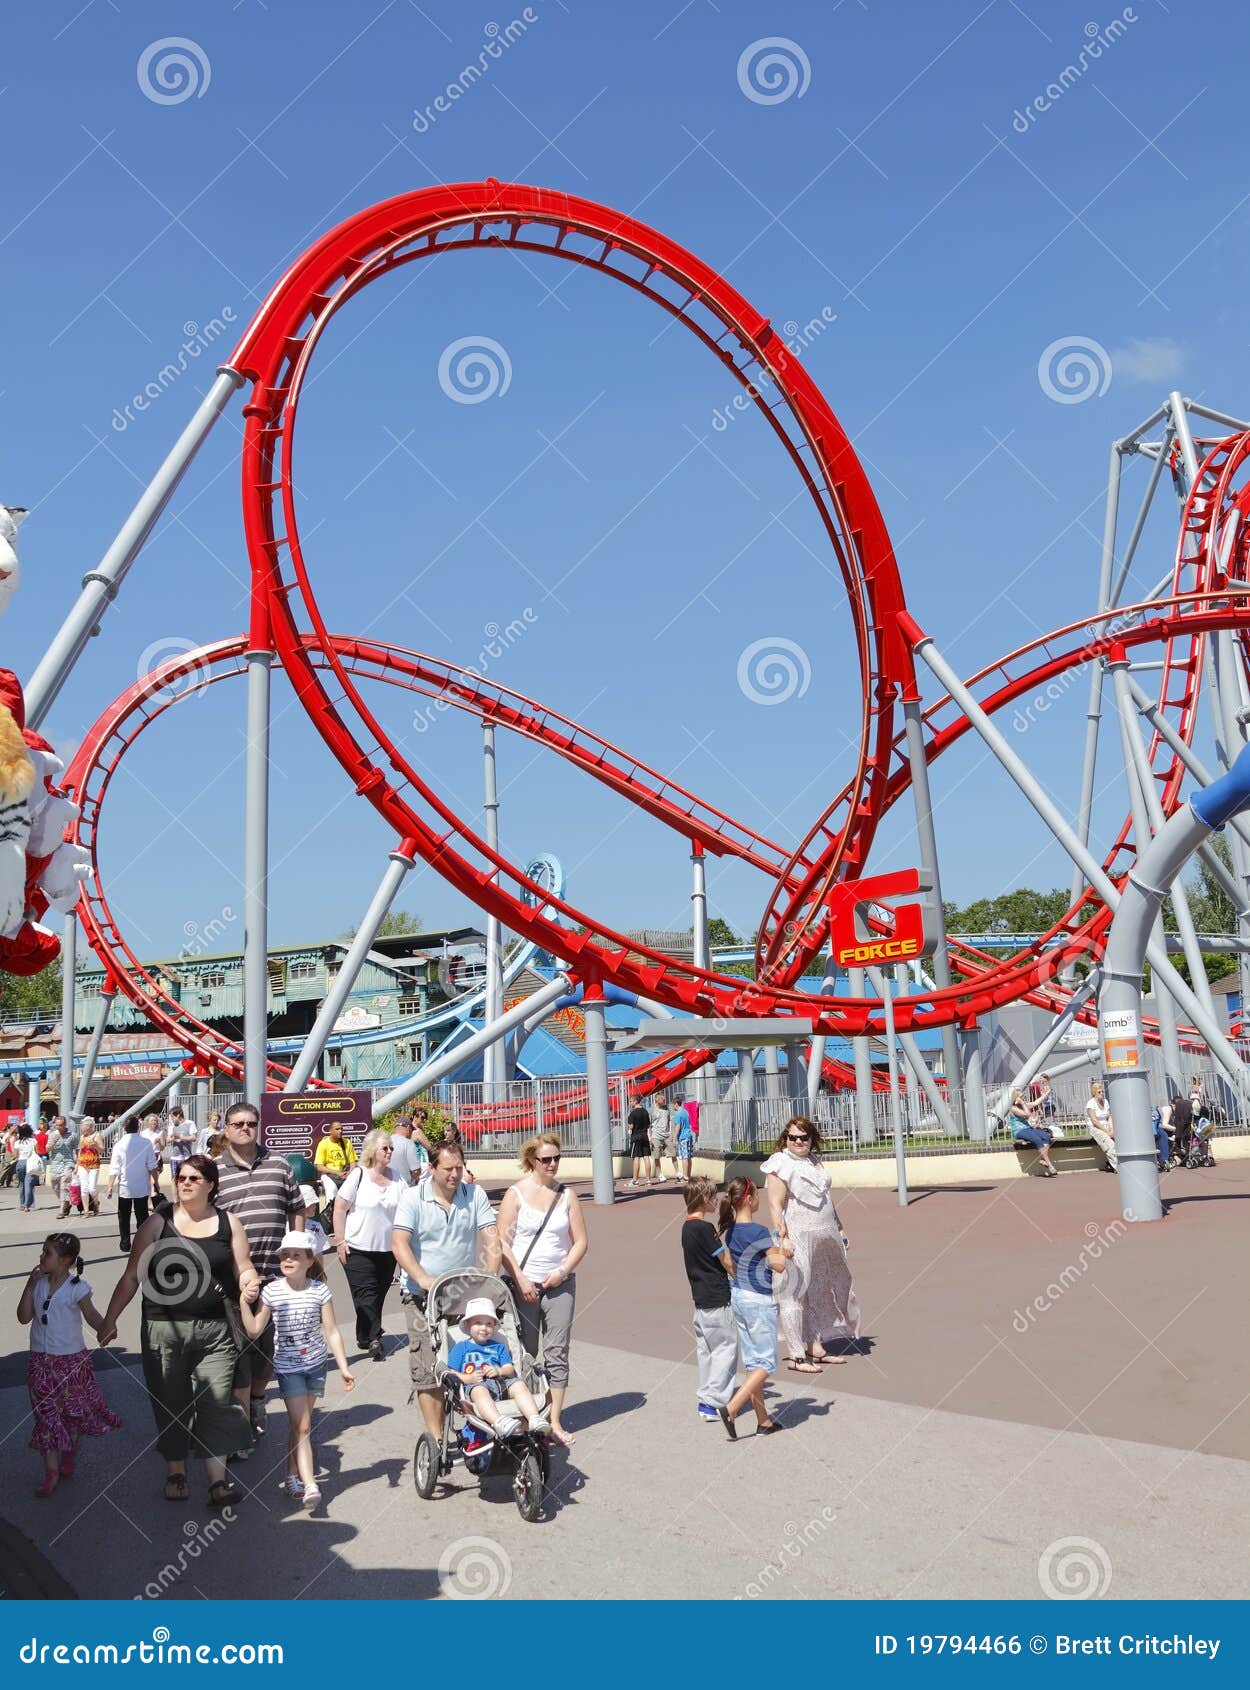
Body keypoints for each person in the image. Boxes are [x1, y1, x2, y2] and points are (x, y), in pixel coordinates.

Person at [98, 1155, 257, 1508]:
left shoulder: (229, 1223)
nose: (185, 1183)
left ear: (211, 1185)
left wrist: (249, 1283)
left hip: (216, 1331)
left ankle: (217, 1482)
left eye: (194, 1178)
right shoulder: (158, 1223)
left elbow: (243, 1266)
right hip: (163, 1329)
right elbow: (130, 1276)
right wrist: (110, 1320)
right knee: (171, 1403)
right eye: (181, 1177)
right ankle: (176, 1471)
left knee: (217, 1402)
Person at [391, 1141, 500, 1445]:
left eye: (459, 1168)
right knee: (428, 1364)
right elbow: (399, 1243)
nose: (455, 1175)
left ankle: (477, 1421)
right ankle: (437, 1438)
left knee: (472, 1358)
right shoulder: (413, 1198)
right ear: (432, 1169)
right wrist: (423, 1278)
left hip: (463, 1294)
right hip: (421, 1295)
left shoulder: (473, 1194)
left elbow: (491, 1238)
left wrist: (490, 1278)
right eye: (448, 1169)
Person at [213, 1102, 306, 1458]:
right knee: (235, 1351)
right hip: (230, 1277)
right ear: (226, 1129)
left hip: (271, 1275)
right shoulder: (215, 1170)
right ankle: (238, 1427)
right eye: (238, 1124)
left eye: (251, 1123)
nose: (245, 1129)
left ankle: (256, 1401)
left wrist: (295, 1248)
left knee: (264, 1351)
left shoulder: (279, 1164)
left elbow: (297, 1206)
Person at [241, 1232, 354, 1508]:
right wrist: (244, 1302)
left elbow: (331, 1331)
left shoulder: (320, 1290)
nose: (288, 1260)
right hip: (288, 1368)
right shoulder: (272, 1291)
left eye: (295, 1255)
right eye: (284, 1255)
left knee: (300, 1424)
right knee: (302, 1425)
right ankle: (311, 1485)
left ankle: (292, 1474)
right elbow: (255, 1330)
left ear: (309, 1260)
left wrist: (343, 1367)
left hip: (315, 1365)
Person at [498, 1132, 587, 1448]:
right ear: (531, 1161)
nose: (552, 1164)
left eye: (556, 1158)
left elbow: (581, 1242)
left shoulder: (567, 1196)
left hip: (560, 1285)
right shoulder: (515, 1194)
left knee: (558, 1352)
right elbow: (502, 1243)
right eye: (545, 1159)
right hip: (523, 1285)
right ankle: (525, 1415)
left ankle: (554, 1421)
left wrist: (562, 1271)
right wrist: (520, 1279)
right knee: (524, 1352)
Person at [18, 1231, 120, 1496]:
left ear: (65, 1261)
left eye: (47, 1253)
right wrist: (28, 1287)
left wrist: (105, 1327)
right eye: (42, 1252)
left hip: (71, 1362)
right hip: (40, 1362)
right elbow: (23, 1317)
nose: (41, 1257)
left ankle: (70, 1451)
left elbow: (91, 1314)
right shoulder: (38, 1284)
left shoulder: (77, 1288)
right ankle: (50, 1473)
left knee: (72, 1416)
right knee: (46, 1417)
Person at [763, 1117, 861, 1372]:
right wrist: (781, 1237)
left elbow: (826, 1200)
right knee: (794, 1294)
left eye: (803, 1137)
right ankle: (797, 1355)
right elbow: (774, 1205)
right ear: (785, 1138)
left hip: (824, 1234)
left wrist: (840, 1228)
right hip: (797, 1235)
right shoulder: (779, 1163)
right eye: (793, 1137)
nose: (798, 1142)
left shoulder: (815, 1162)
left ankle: (815, 1347)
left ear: (811, 1139)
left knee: (818, 1290)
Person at [715, 1176, 785, 1439]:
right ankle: (731, 1408)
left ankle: (763, 1420)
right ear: (749, 1199)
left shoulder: (731, 1230)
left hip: (739, 1296)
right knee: (766, 1362)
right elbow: (778, 1265)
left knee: (754, 1361)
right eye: (757, 1194)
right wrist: (782, 1248)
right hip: (758, 1299)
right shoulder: (758, 1231)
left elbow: (736, 1261)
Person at [332, 1128, 404, 1361]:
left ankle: (364, 1335)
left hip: (387, 1249)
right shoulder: (358, 1175)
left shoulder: (398, 1178)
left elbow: (407, 1210)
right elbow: (340, 1208)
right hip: (357, 1248)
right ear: (372, 1151)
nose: (389, 1151)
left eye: (391, 1148)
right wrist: (340, 1241)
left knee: (379, 1293)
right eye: (385, 1148)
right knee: (365, 1293)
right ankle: (374, 1338)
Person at [448, 1296, 550, 1435]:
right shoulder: (461, 1347)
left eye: (489, 1324)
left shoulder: (498, 1347)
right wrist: (468, 1378)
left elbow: (510, 1369)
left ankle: (534, 1418)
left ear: (494, 1326)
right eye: (478, 1323)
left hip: (503, 1382)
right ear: (467, 1325)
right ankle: (499, 1421)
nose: (484, 1328)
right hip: (477, 1384)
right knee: (479, 1391)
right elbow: (451, 1372)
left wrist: (499, 1370)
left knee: (519, 1385)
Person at [681, 1177, 736, 1422]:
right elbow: (724, 1260)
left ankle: (705, 1396)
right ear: (704, 1200)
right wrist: (740, 1275)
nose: (716, 1201)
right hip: (717, 1296)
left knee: (706, 1351)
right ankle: (713, 1402)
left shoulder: (686, 1227)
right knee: (726, 1348)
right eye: (713, 1197)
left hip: (700, 1299)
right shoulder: (705, 1229)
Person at [105, 1118, 160, 1252]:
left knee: (124, 1216)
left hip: (125, 1187)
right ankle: (143, 1242)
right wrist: (156, 1182)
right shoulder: (146, 1143)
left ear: (124, 1128)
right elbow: (152, 1165)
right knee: (142, 1215)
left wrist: (110, 1186)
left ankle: (125, 1243)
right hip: (141, 1186)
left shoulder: (119, 1144)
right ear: (138, 1127)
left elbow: (114, 1167)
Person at [1009, 1090, 1058, 1176]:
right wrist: (1023, 1104)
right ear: (1016, 1098)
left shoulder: (1024, 1105)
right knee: (1037, 1139)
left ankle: (1043, 1159)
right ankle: (1050, 1165)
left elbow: (1035, 1103)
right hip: (1019, 1131)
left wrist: (1045, 1095)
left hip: (1028, 1128)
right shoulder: (1013, 1108)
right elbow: (1027, 1114)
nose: (1023, 1098)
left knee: (1046, 1136)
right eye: (1021, 1097)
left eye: (1023, 1096)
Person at [313, 1119, 357, 1208]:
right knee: (331, 1194)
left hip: (345, 1175)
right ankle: (330, 1216)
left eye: (341, 1129)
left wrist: (349, 1173)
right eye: (337, 1129)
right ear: (330, 1131)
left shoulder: (347, 1142)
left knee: (352, 1196)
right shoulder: (323, 1144)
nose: (340, 1131)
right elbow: (319, 1167)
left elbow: (353, 1163)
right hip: (329, 1176)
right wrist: (336, 1172)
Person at [49, 1119, 82, 1218]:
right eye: (57, 1125)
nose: (59, 1127)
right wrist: (54, 1141)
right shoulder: (52, 1134)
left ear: (65, 1125)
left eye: (61, 1125)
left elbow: (78, 1150)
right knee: (55, 1184)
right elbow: (47, 1149)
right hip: (55, 1164)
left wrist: (77, 1164)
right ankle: (66, 1202)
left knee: (64, 1185)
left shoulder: (73, 1135)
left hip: (68, 1163)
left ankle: (61, 1210)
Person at [1083, 1081, 1116, 1173]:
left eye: (1102, 1091)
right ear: (1094, 1093)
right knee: (1109, 1143)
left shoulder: (1105, 1102)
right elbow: (1094, 1121)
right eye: (1099, 1092)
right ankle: (1117, 1166)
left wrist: (1111, 1129)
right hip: (1095, 1128)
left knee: (1121, 1138)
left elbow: (1109, 1116)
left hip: (1106, 1126)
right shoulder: (1091, 1103)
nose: (1101, 1093)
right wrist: (1107, 1131)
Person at [74, 1118, 104, 1216]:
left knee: (92, 1188)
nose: (82, 1128)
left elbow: (102, 1150)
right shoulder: (82, 1137)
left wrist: (95, 1145)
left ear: (89, 1127)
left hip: (94, 1164)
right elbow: (80, 1152)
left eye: (84, 1126)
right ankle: (86, 1210)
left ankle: (96, 1203)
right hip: (83, 1164)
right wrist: (77, 1166)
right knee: (84, 1188)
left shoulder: (97, 1135)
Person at [387, 1114, 428, 1186]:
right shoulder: (408, 1143)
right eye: (412, 1130)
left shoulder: (385, 1141)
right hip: (404, 1188)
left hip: (387, 1186)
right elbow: (416, 1171)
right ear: (408, 1128)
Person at [650, 1092, 678, 1181]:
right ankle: (660, 1174)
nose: (664, 1100)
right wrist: (649, 1137)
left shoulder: (667, 1109)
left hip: (666, 1135)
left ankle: (677, 1172)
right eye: (662, 1098)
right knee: (657, 1155)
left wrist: (670, 1133)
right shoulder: (652, 1110)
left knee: (673, 1153)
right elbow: (649, 1124)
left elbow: (670, 1120)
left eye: (664, 1098)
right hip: (656, 1136)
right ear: (657, 1100)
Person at [626, 1100, 652, 1186]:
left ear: (635, 1101)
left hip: (636, 1137)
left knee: (636, 1158)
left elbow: (631, 1126)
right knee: (646, 1157)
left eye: (631, 1101)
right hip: (645, 1136)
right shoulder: (645, 1112)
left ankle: (635, 1180)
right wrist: (649, 1137)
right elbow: (648, 1125)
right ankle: (648, 1179)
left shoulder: (633, 1113)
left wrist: (629, 1126)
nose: (630, 1103)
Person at [14, 1124, 38, 1213]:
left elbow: (15, 1155)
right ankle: (27, 1205)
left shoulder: (17, 1142)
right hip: (30, 1163)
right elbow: (37, 1152)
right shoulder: (33, 1141)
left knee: (22, 1184)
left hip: (20, 1163)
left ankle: (22, 1204)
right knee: (29, 1184)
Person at [165, 1106, 195, 1178]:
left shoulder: (190, 1123)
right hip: (175, 1157)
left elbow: (194, 1137)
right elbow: (167, 1139)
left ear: (178, 1115)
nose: (171, 1119)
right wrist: (171, 1138)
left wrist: (180, 1137)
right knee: (174, 1179)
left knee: (187, 1178)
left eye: (172, 1117)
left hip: (187, 1156)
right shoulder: (171, 1126)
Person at [675, 1099, 695, 1183]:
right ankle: (688, 1176)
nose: (673, 1107)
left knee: (684, 1157)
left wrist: (674, 1138)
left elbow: (678, 1126)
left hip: (683, 1137)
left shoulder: (678, 1113)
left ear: (676, 1104)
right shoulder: (685, 1112)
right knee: (688, 1157)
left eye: (673, 1105)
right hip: (689, 1135)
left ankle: (685, 1176)